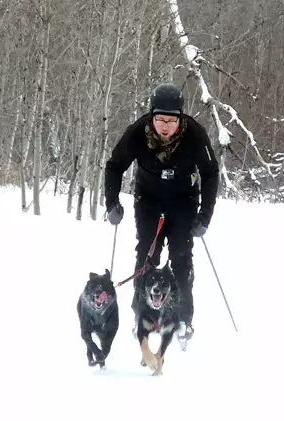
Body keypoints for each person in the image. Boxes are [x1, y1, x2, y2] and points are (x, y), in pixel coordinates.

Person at [104, 82, 219, 344]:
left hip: (183, 200)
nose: (165, 126)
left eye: (171, 120)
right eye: (160, 119)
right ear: (151, 116)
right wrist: (112, 203)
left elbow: (210, 172)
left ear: (180, 119)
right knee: (147, 257)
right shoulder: (138, 133)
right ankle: (141, 317)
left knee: (180, 259)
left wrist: (205, 215)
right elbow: (114, 166)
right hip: (149, 200)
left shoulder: (194, 135)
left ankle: (183, 319)